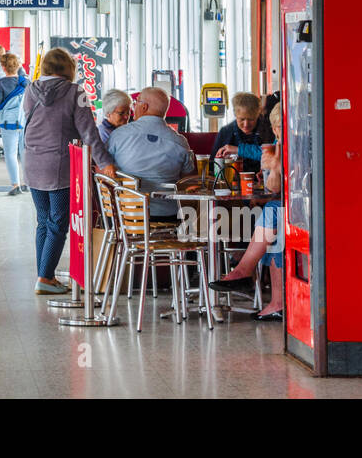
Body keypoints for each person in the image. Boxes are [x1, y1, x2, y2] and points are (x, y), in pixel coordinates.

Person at [22, 47, 115, 295]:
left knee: (44, 221)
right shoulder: (77, 92)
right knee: (57, 223)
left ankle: (46, 274)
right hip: (60, 164)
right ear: (68, 69)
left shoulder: (29, 90)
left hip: (33, 162)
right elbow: (89, 132)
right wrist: (105, 162)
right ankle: (45, 277)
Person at [210, 103, 285, 320]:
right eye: (277, 127)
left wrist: (275, 167)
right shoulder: (279, 144)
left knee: (272, 212)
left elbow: (275, 187)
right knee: (273, 231)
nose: (280, 132)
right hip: (288, 209)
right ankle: (276, 302)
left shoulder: (294, 146)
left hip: (312, 211)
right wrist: (269, 171)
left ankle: (244, 269)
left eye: (283, 126)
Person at [107, 87, 196, 221]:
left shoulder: (118, 135)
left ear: (144, 107)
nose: (134, 107)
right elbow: (188, 181)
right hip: (167, 218)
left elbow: (104, 172)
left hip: (125, 217)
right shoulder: (180, 142)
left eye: (136, 102)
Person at [0, 52, 28, 195]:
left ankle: (15, 185)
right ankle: (27, 183)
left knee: (11, 154)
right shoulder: (25, 82)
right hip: (24, 121)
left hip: (8, 122)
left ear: (3, 67)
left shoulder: (0, 83)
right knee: (24, 152)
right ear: (18, 66)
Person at [212, 91, 275, 180]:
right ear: (235, 115)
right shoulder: (225, 132)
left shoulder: (269, 131)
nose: (246, 124)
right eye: (241, 119)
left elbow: (273, 156)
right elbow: (212, 166)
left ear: (258, 115)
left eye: (251, 119)